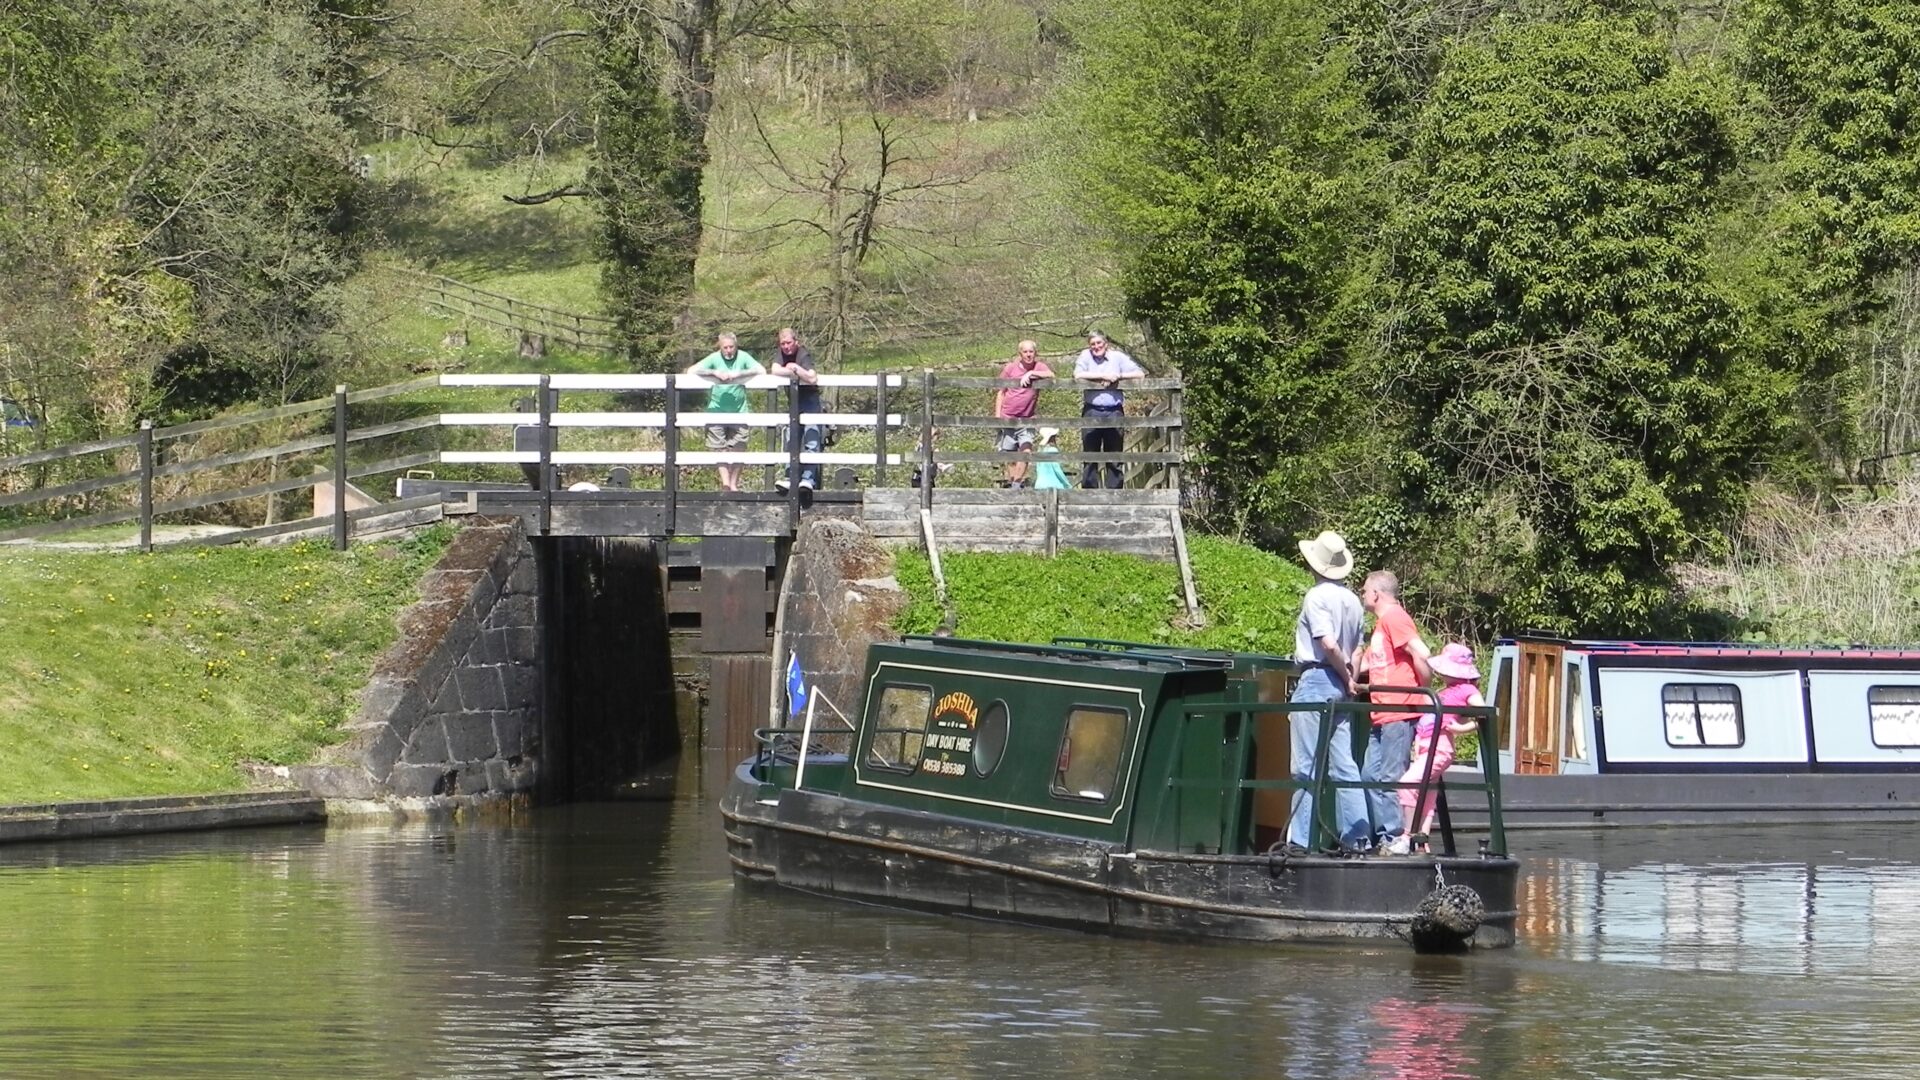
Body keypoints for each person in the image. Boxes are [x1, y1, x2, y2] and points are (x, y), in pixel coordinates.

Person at [1285, 530, 1366, 853]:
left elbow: (1327, 642)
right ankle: (1358, 837)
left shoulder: (1316, 597)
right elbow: (1357, 648)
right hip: (1341, 686)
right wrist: (1349, 679)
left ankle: (1301, 841)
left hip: (1317, 678)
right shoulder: (1354, 601)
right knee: (1344, 763)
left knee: (1305, 765)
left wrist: (1339, 670)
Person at [1358, 569, 1433, 855]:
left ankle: (1395, 838)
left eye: (1365, 590)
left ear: (1376, 594)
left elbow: (1421, 651)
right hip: (1382, 713)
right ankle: (1384, 836)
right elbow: (1366, 666)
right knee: (1369, 775)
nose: (1363, 594)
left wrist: (1422, 691)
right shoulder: (1380, 627)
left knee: (1390, 775)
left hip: (1398, 712)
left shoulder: (1394, 618)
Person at [1398, 642, 1483, 851]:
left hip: (1440, 746)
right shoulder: (1445, 691)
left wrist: (1460, 729)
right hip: (1425, 746)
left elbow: (1485, 713)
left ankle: (1406, 837)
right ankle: (1421, 843)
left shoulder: (1467, 689)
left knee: (1407, 783)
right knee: (1427, 795)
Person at [684, 332, 764, 492]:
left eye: (731, 347)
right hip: (716, 410)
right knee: (718, 448)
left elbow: (761, 371)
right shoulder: (714, 358)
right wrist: (713, 372)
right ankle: (726, 484)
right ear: (720, 347)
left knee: (739, 447)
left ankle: (734, 484)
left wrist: (739, 374)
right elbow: (691, 371)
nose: (728, 350)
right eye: (725, 347)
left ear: (736, 346)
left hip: (739, 410)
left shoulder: (743, 357)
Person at [1072, 330, 1144, 489]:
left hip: (1114, 411)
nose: (1096, 347)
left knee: (1114, 453)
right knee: (1090, 454)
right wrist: (1102, 376)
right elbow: (1077, 375)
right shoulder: (1086, 356)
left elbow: (1139, 374)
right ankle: (1090, 493)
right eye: (1093, 344)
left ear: (1106, 344)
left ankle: (1115, 492)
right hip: (1092, 410)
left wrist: (1118, 376)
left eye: (1099, 343)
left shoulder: (1117, 357)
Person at [767, 327, 823, 492]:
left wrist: (796, 368)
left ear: (796, 342)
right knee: (791, 439)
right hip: (794, 401)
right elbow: (774, 370)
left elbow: (812, 377)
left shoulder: (803, 354)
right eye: (783, 343)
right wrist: (791, 371)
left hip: (810, 400)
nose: (786, 346)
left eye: (788, 342)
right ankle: (790, 477)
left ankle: (808, 479)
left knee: (812, 438)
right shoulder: (781, 354)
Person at [994, 340, 1053, 488]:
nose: (1028, 355)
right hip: (1008, 416)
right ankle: (1013, 482)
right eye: (1025, 352)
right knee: (1009, 453)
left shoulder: (1038, 366)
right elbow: (1001, 391)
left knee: (1026, 451)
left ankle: (1017, 484)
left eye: (1031, 351)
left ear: (1035, 352)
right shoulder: (1010, 368)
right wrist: (997, 416)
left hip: (1027, 418)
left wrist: (1032, 373)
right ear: (1020, 353)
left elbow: (1051, 375)